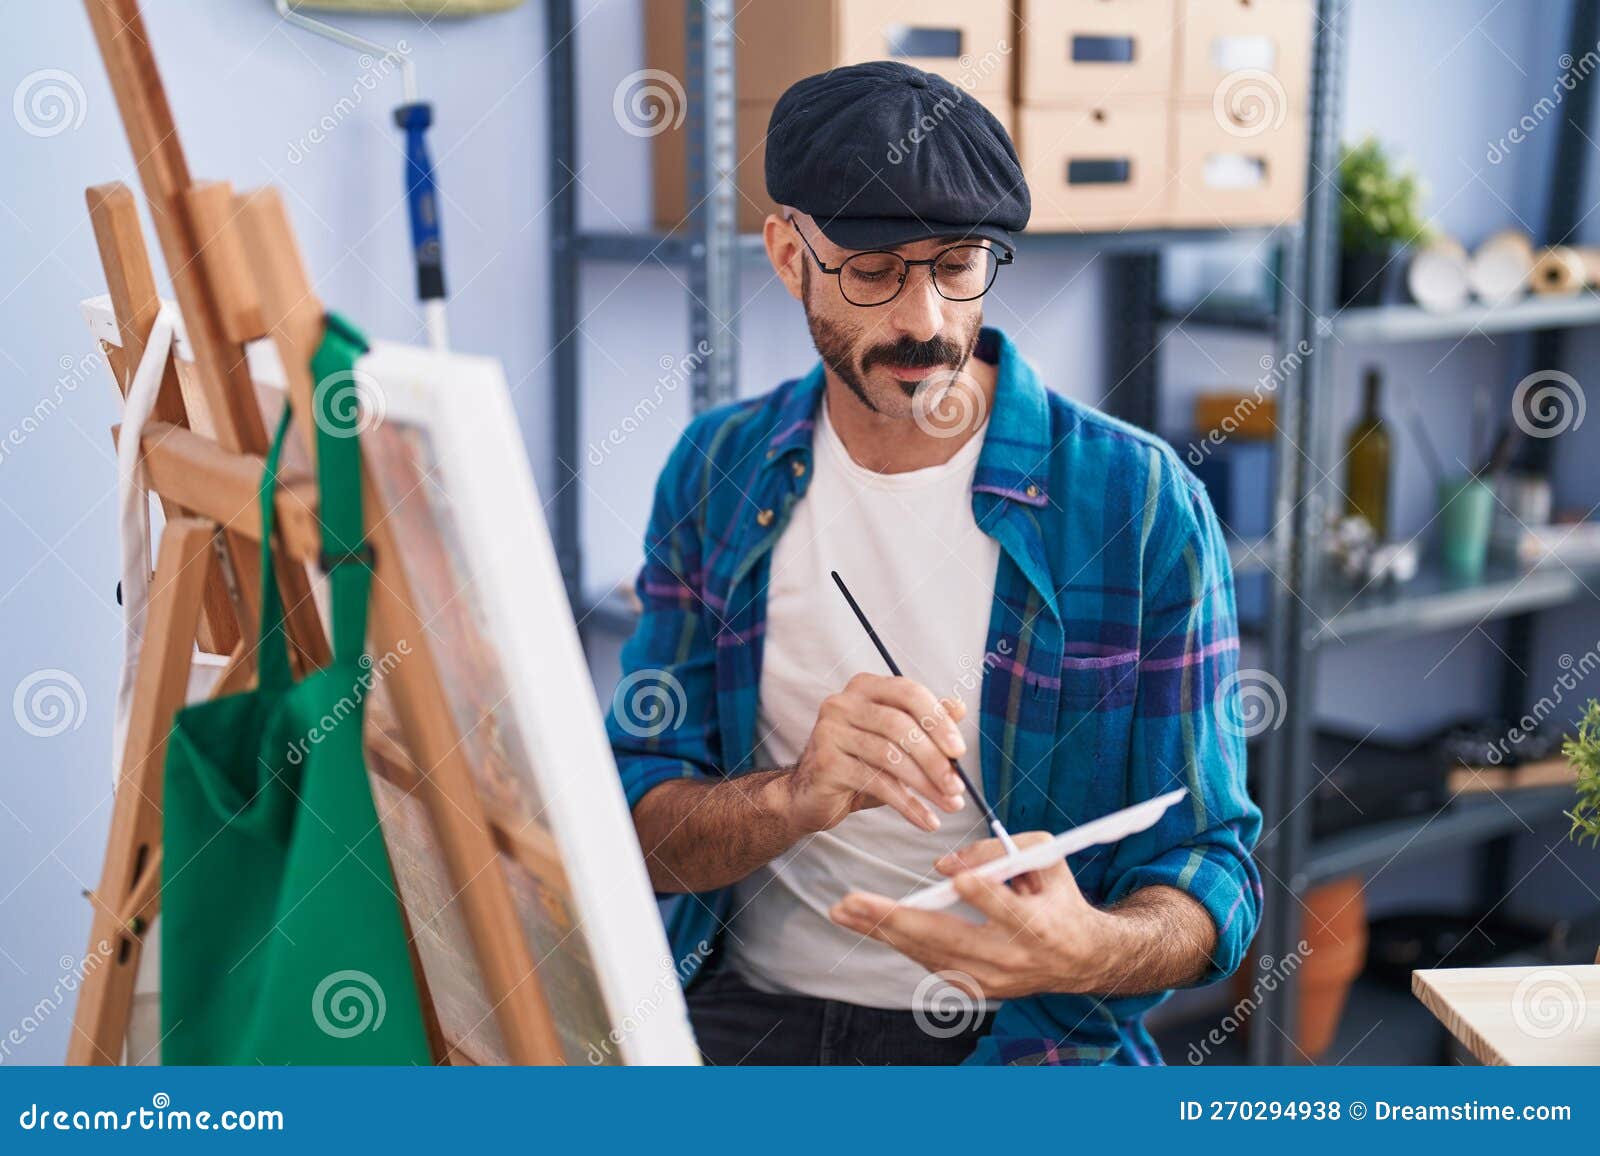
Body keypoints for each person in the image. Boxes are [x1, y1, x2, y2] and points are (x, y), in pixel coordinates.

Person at [606, 61, 1261, 1066]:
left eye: (957, 266)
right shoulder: (717, 470)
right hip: (743, 1016)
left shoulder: (1136, 503)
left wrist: (1086, 948)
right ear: (787, 256)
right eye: (873, 270)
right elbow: (634, 826)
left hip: (1026, 1047)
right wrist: (793, 796)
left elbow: (1215, 873)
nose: (924, 321)